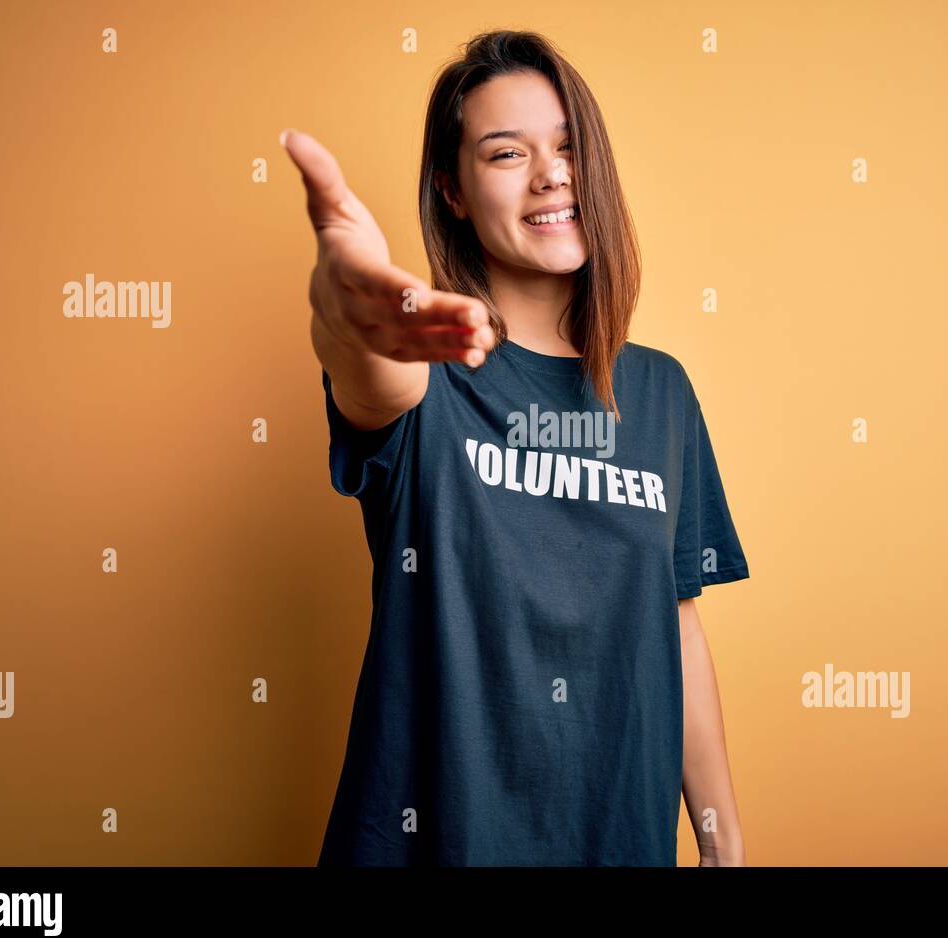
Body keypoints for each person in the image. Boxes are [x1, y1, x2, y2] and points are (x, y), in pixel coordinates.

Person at [286, 29, 750, 866]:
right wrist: (343, 313)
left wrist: (721, 840)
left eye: (568, 146)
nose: (551, 175)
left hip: (622, 843)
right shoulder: (426, 368)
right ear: (453, 191)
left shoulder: (661, 394)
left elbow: (677, 628)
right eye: (506, 153)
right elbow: (369, 377)